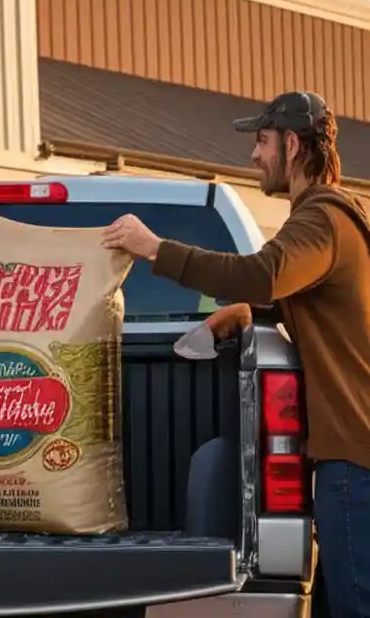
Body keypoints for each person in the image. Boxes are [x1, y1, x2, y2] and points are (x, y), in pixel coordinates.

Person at [101, 91, 370, 617]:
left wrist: (155, 248)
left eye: (263, 142)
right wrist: (249, 313)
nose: (254, 155)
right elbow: (300, 300)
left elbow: (261, 274)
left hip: (353, 466)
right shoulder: (335, 220)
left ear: (292, 145)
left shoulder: (322, 219)